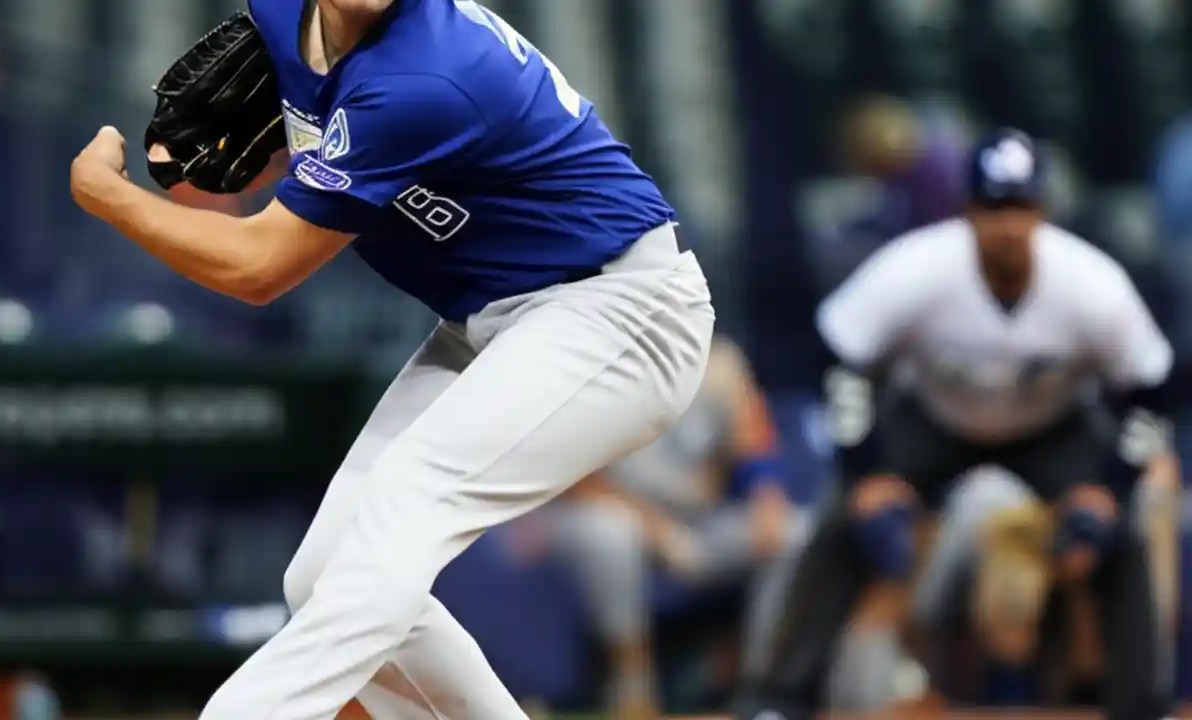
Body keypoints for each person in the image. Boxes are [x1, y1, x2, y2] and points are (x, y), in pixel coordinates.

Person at [68, 1, 716, 718]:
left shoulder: (428, 75)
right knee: (325, 576)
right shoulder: (281, 15)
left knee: (405, 510)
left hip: (621, 309)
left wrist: (110, 197)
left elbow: (258, 267)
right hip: (501, 314)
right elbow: (252, 170)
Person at [737, 129, 1179, 720]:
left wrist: (1109, 486)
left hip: (1052, 425)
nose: (1008, 226)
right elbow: (838, 357)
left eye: (1020, 207)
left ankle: (1142, 707)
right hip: (934, 419)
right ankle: (778, 700)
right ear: (968, 211)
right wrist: (867, 472)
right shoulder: (920, 266)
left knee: (1122, 533)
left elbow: (1150, 388)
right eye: (994, 208)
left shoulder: (1088, 282)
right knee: (844, 521)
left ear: (1042, 213)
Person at [552, 336, 798, 719]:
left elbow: (753, 442)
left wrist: (767, 498)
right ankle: (632, 684)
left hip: (700, 522)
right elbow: (575, 477)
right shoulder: (594, 356)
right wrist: (658, 531)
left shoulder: (719, 361)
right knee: (606, 534)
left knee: (794, 533)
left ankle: (763, 686)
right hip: (619, 513)